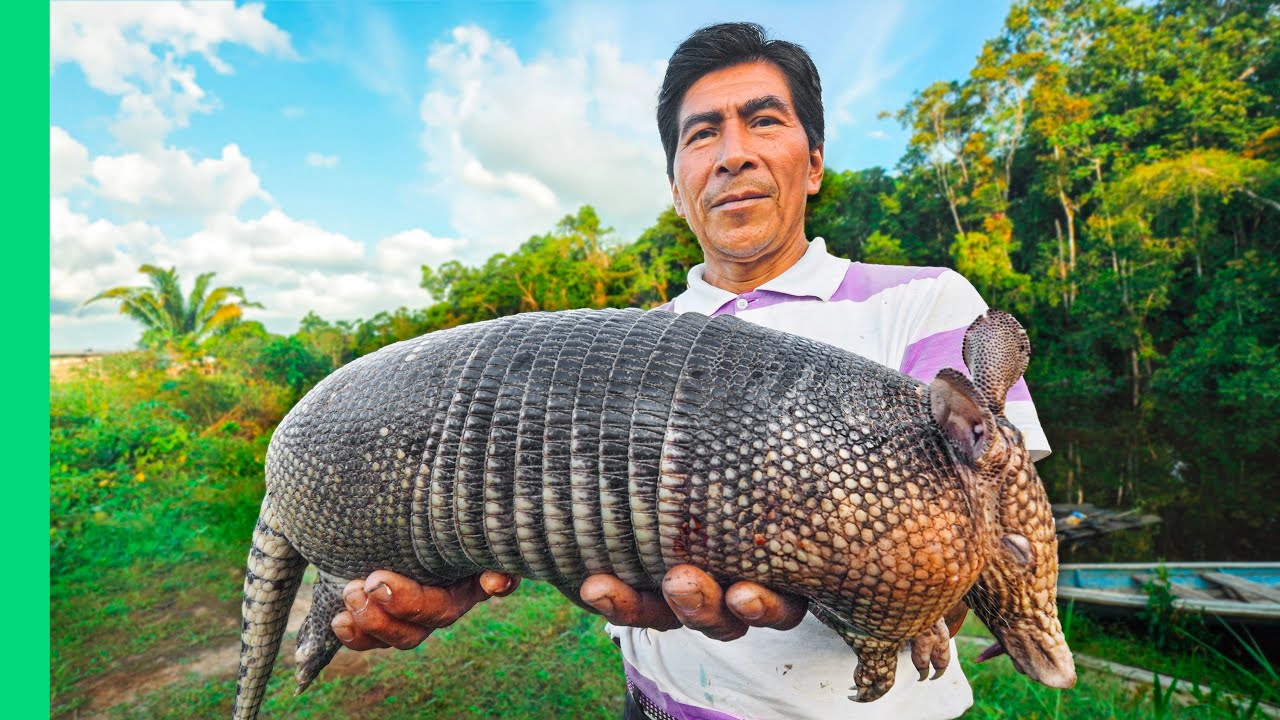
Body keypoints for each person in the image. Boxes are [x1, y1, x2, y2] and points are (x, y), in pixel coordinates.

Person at [330, 22, 1050, 720]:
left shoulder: (927, 301)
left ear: (816, 161)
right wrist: (444, 577)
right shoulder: (629, 348)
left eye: (763, 121)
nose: (733, 154)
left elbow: (987, 515)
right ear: (677, 185)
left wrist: (920, 605)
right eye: (701, 134)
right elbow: (534, 500)